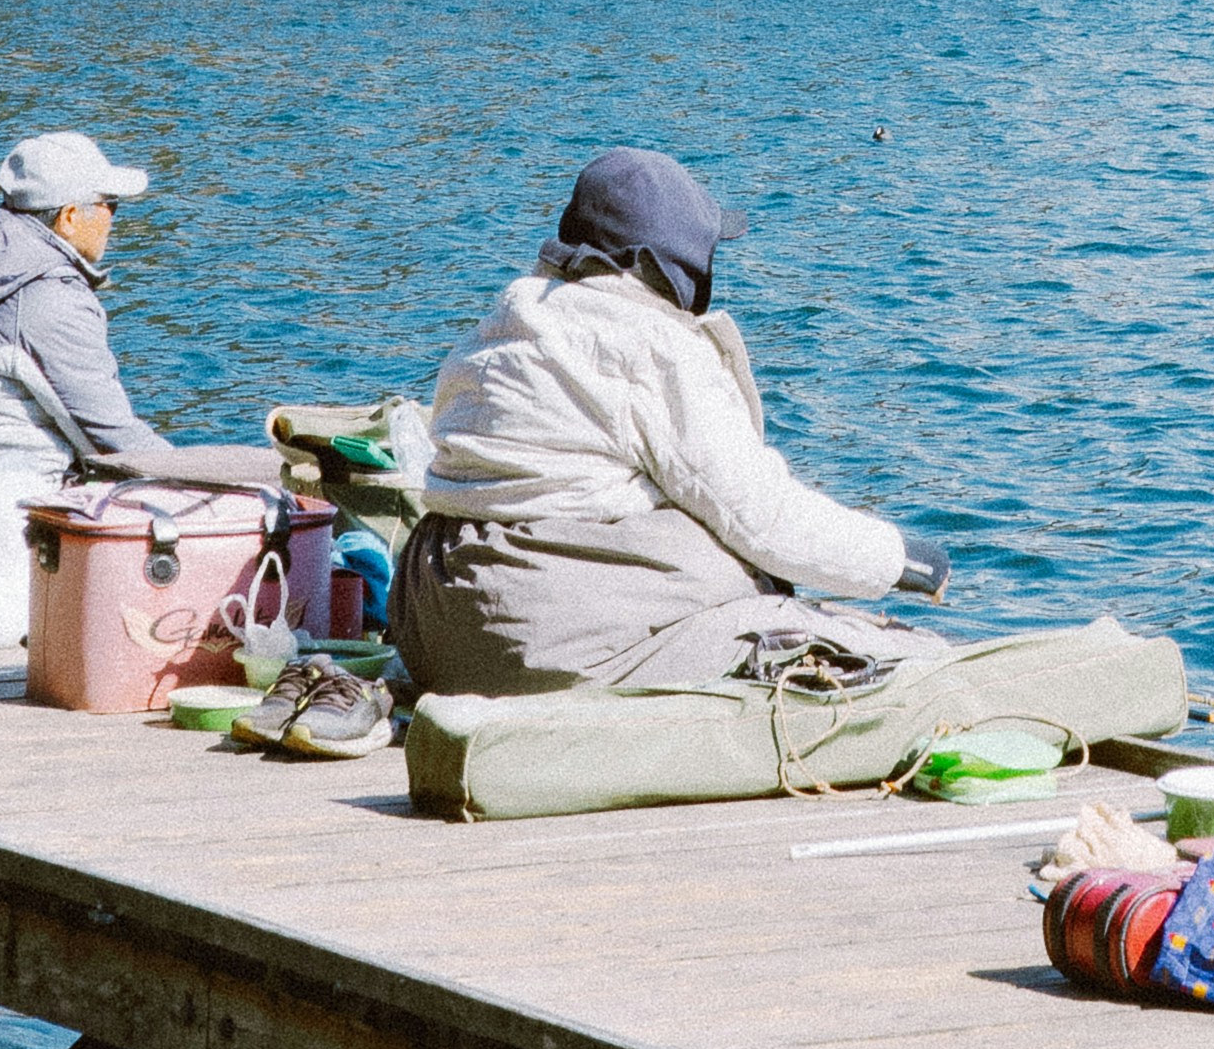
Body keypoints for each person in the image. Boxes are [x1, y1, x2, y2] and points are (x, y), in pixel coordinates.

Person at [394, 144, 942, 699]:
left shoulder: (509, 318)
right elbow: (758, 516)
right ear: (667, 265)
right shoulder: (647, 344)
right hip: (543, 639)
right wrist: (899, 559)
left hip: (435, 626)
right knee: (910, 654)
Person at [0, 132, 265, 513]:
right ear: (70, 217)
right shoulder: (47, 297)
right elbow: (112, 439)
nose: (112, 220)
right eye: (110, 205)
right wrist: (215, 495)